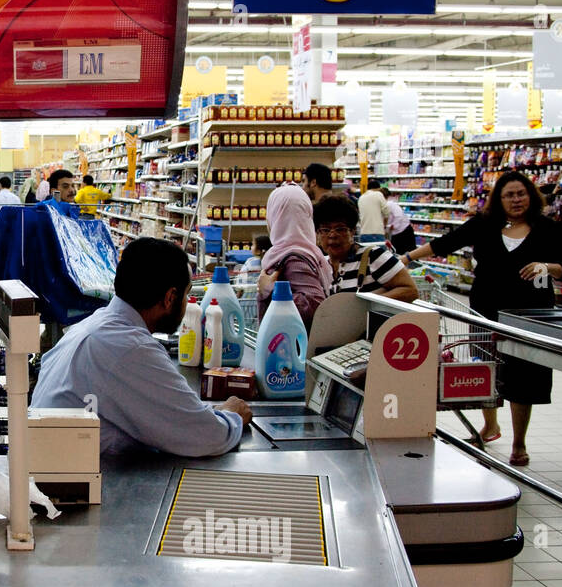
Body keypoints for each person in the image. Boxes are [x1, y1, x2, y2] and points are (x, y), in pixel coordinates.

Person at [403, 171, 562, 467]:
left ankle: (519, 442)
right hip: (486, 309)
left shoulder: (548, 228)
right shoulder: (485, 225)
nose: (516, 200)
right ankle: (490, 426)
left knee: (524, 376)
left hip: (528, 313)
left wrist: (546, 267)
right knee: (488, 367)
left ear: (531, 196)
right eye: (509, 195)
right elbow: (447, 242)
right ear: (499, 199)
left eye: (521, 193)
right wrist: (407, 258)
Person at [31, 237, 251, 455]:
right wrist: (232, 414)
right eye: (186, 294)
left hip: (53, 467)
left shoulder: (96, 325)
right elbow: (208, 436)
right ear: (169, 298)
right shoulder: (129, 348)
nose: (186, 302)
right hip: (73, 482)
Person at [314, 196, 417, 302]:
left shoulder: (373, 257)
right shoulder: (320, 266)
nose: (332, 235)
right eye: (325, 230)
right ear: (317, 233)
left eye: (340, 229)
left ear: (353, 231)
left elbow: (410, 291)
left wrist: (365, 305)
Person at [257, 183, 331, 329]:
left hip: (292, 345)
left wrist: (270, 290)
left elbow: (314, 304)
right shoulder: (305, 251)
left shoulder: (294, 257)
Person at [382, 187, 416, 254]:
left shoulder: (390, 204)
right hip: (395, 234)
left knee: (410, 254)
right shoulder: (382, 206)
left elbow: (399, 215)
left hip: (404, 231)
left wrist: (393, 226)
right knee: (397, 254)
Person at [356, 180, 389, 244]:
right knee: (380, 253)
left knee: (366, 253)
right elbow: (386, 212)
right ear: (379, 189)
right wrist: (385, 225)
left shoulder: (361, 198)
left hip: (363, 234)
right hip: (376, 233)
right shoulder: (378, 194)